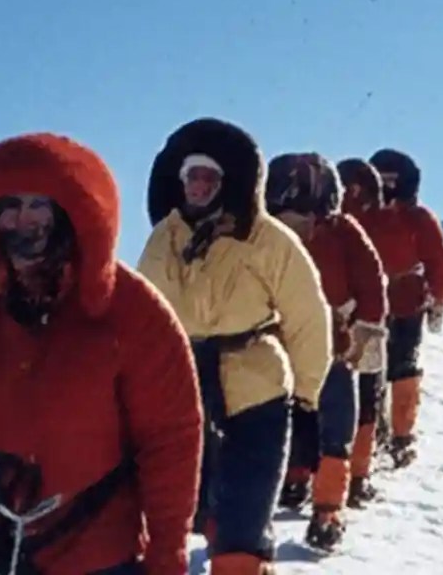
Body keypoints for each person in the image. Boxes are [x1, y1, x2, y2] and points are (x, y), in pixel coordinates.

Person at [0, 133, 204, 575]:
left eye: (38, 204)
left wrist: (168, 552)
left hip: (90, 550)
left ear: (74, 211)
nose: (23, 220)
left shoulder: (135, 315)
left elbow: (169, 439)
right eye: (9, 205)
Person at [138, 118, 331, 575]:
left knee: (243, 524)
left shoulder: (268, 239)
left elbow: (307, 317)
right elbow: (141, 317)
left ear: (227, 182)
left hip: (257, 394)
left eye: (210, 177)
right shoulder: (163, 239)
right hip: (181, 394)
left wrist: (307, 401)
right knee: (185, 515)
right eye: (193, 176)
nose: (200, 186)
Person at [265, 153, 388, 550]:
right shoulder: (266, 236)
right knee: (293, 421)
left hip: (331, 347)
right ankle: (298, 483)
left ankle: (327, 507)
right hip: (284, 348)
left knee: (332, 426)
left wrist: (367, 328)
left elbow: (370, 280)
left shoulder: (340, 232)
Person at [366, 148, 443, 469]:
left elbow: (436, 261)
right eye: (381, 180)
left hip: (406, 306)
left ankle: (401, 436)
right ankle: (373, 435)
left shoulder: (420, 219)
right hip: (369, 306)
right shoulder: (363, 216)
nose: (387, 187)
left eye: (392, 181)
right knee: (369, 373)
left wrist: (438, 301)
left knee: (403, 371)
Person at [334, 158, 394, 506]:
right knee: (367, 395)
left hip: (327, 322)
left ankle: (311, 476)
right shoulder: (366, 224)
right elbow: (373, 277)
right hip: (364, 320)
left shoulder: (324, 222)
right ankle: (357, 476)